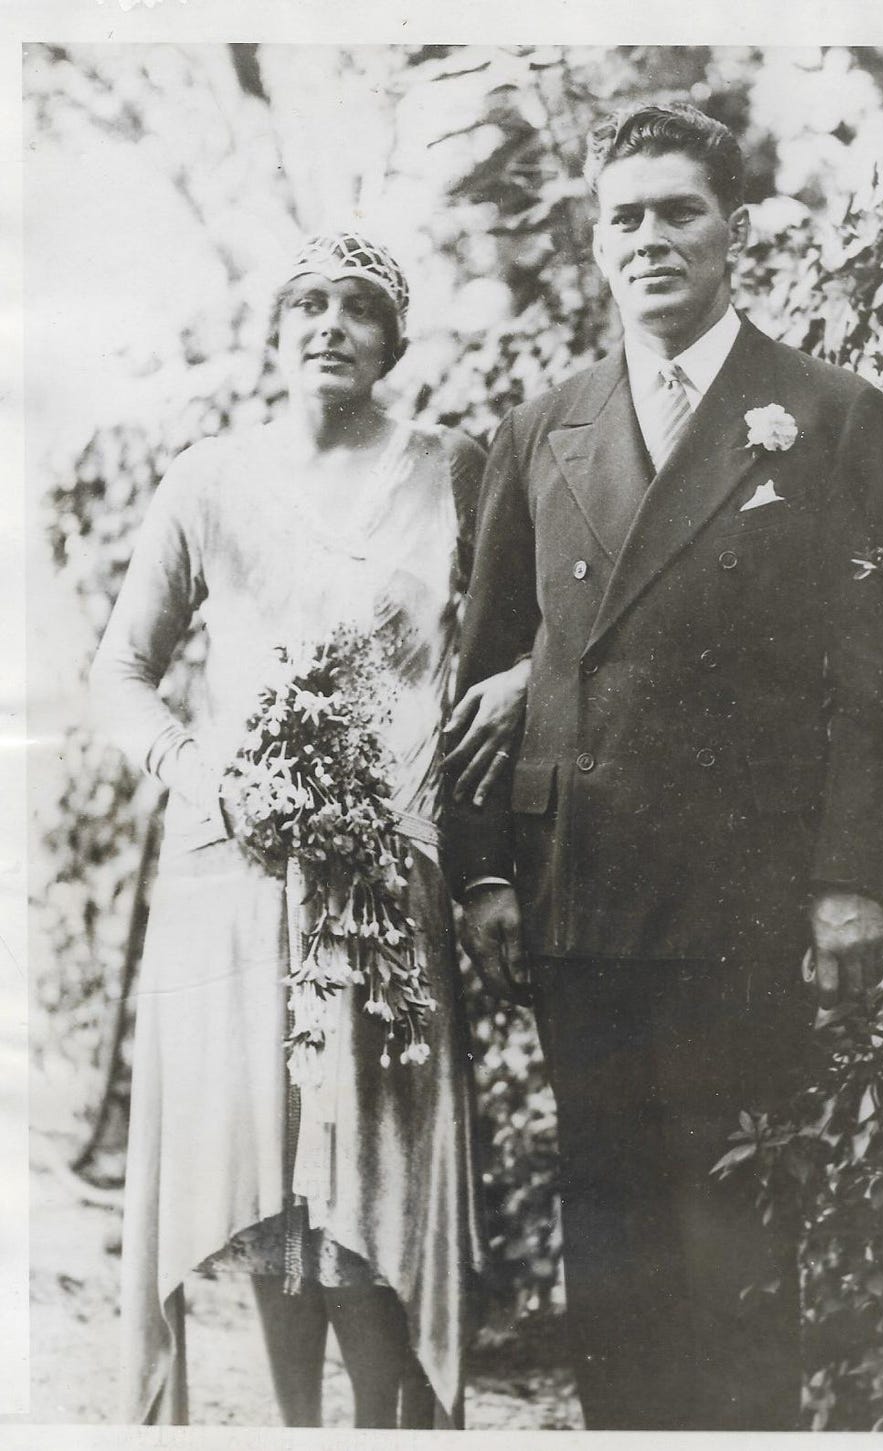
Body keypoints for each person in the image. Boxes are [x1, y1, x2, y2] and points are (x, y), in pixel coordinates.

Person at [444, 102, 883, 1431]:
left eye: (679, 211)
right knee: (610, 1232)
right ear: (596, 244)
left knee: (737, 1237)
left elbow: (880, 676)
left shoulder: (830, 415)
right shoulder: (543, 427)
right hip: (580, 885)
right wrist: (482, 871)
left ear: (737, 231)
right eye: (626, 217)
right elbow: (486, 661)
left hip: (747, 890)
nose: (650, 238)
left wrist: (853, 879)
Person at [91, 231, 526, 1428]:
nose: (330, 324)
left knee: (376, 1175)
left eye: (358, 306)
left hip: (386, 873)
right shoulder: (207, 479)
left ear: (395, 339)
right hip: (235, 871)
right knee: (272, 1179)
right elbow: (120, 674)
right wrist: (205, 775)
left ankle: (384, 1425)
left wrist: (509, 702)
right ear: (276, 333)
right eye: (307, 305)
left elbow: (520, 638)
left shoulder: (455, 467)